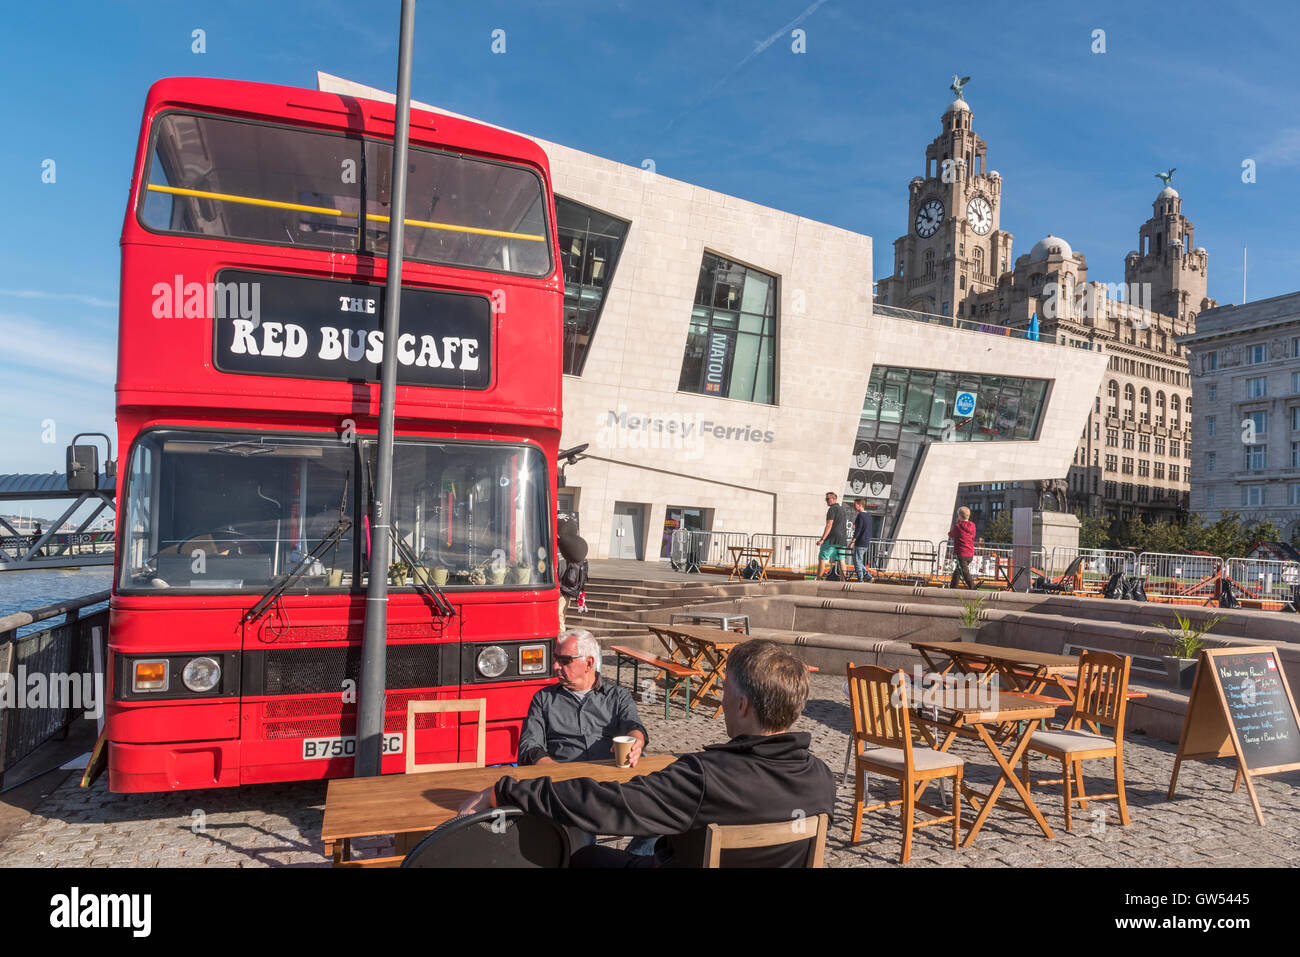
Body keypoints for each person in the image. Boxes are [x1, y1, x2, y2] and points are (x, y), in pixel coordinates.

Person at [458, 639, 836, 867]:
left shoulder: (704, 777)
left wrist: (506, 791)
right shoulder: (821, 777)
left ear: (742, 706)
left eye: (726, 689)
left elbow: (606, 804)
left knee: (583, 858)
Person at [516, 628, 655, 856]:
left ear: (589, 663)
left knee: (664, 812)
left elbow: (634, 725)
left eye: (564, 660)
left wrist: (637, 741)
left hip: (615, 786)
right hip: (570, 790)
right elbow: (530, 747)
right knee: (578, 832)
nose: (555, 666)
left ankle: (631, 861)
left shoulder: (617, 696)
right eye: (556, 659)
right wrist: (558, 774)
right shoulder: (543, 699)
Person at [556, 517, 588, 631]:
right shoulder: (571, 547)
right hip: (567, 588)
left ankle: (560, 641)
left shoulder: (561, 548)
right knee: (561, 616)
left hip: (561, 589)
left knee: (558, 617)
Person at [815, 492, 848, 580]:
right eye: (826, 499)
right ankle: (843, 580)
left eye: (828, 499)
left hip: (832, 538)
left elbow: (829, 524)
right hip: (842, 539)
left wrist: (822, 539)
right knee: (841, 560)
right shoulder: (842, 510)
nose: (826, 501)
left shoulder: (832, 509)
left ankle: (818, 579)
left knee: (822, 558)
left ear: (833, 499)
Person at [948, 506, 977, 589]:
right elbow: (973, 536)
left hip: (962, 553)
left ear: (960, 516)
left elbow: (951, 535)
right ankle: (953, 587)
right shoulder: (972, 525)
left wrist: (957, 524)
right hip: (970, 553)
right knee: (958, 570)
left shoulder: (958, 527)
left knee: (964, 572)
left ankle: (973, 587)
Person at [850, 499, 874, 583]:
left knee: (857, 562)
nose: (854, 506)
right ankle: (868, 576)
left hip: (860, 542)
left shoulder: (860, 515)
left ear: (860, 505)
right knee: (859, 561)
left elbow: (858, 530)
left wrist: (853, 542)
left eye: (855, 505)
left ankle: (861, 579)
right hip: (866, 542)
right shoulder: (869, 516)